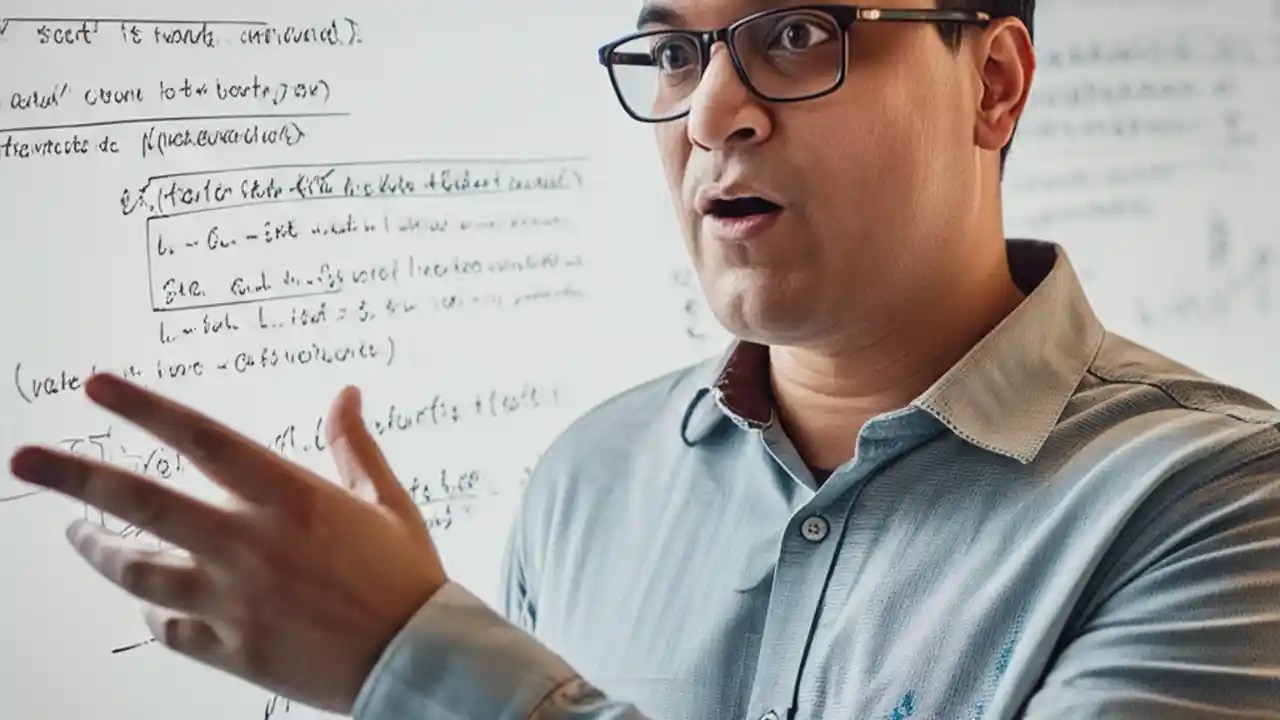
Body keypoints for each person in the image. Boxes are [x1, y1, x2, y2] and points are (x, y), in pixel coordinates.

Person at [8, 0, 1280, 718]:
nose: (714, 111)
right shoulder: (586, 478)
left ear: (992, 84)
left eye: (795, 33)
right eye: (675, 52)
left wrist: (416, 660)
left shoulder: (1221, 504)